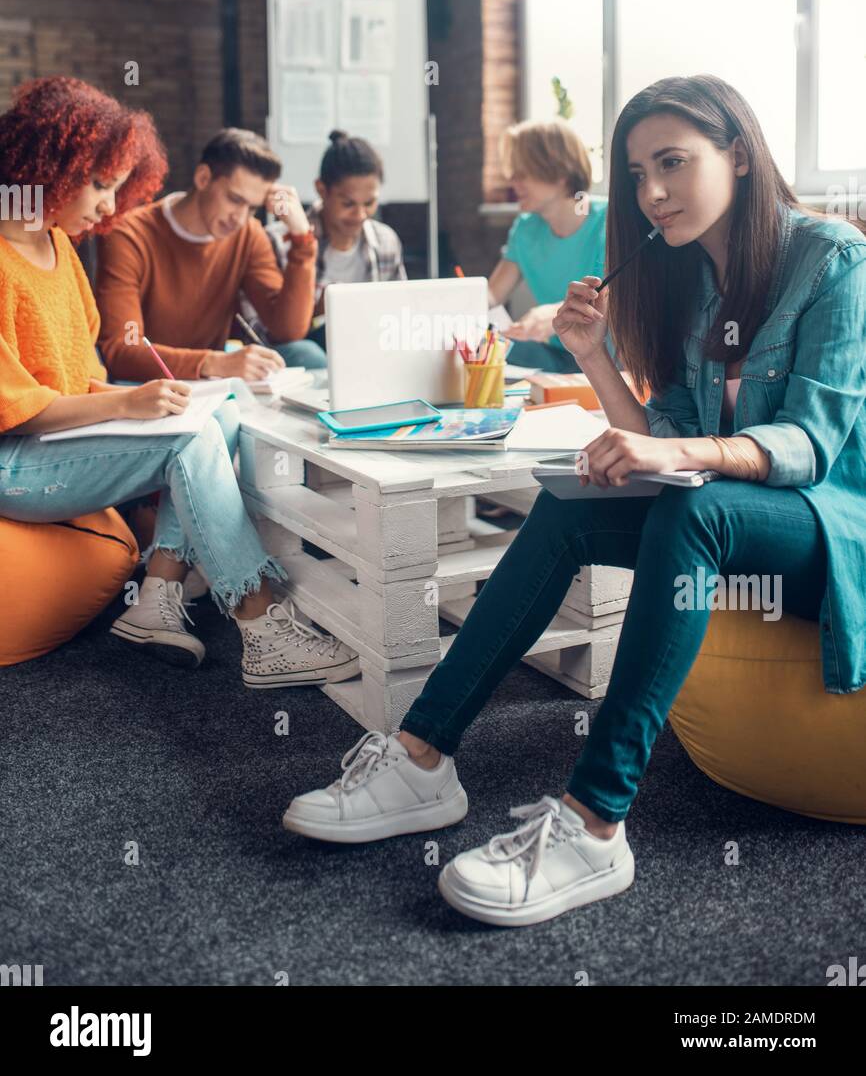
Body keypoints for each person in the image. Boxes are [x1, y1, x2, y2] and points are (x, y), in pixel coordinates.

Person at [282, 73, 866, 927]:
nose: (653, 191)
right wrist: (594, 357)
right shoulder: (688, 277)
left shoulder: (833, 260)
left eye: (674, 162)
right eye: (636, 173)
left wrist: (669, 450)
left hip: (829, 531)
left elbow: (808, 447)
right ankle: (422, 757)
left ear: (738, 155)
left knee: (690, 511)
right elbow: (659, 433)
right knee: (569, 500)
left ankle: (596, 821)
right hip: (728, 518)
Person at [0, 78, 355, 683]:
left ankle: (157, 595)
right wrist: (133, 402)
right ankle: (261, 622)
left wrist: (156, 400)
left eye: (116, 187)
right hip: (14, 463)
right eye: (100, 185)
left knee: (219, 410)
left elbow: (83, 380)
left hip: (52, 449)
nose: (110, 207)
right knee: (188, 440)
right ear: (49, 167)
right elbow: (21, 409)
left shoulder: (59, 247)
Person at [95, 127, 327, 384]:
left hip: (211, 381)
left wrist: (302, 237)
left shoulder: (248, 235)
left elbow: (288, 330)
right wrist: (214, 362)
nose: (240, 217)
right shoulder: (129, 235)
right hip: (144, 382)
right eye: (235, 199)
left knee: (307, 355)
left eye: (252, 208)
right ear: (203, 178)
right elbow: (122, 350)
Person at [239, 129, 407, 356]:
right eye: (348, 203)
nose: (359, 214)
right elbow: (257, 332)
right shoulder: (278, 240)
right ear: (321, 190)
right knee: (306, 352)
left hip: (365, 349)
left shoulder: (385, 241)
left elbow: (399, 315)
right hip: (296, 352)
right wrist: (314, 311)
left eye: (369, 203)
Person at [487, 119, 607, 373]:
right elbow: (491, 295)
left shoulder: (610, 221)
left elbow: (626, 302)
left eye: (522, 173)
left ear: (559, 172)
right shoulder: (525, 227)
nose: (513, 181)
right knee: (486, 350)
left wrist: (555, 314)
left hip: (613, 360)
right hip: (560, 356)